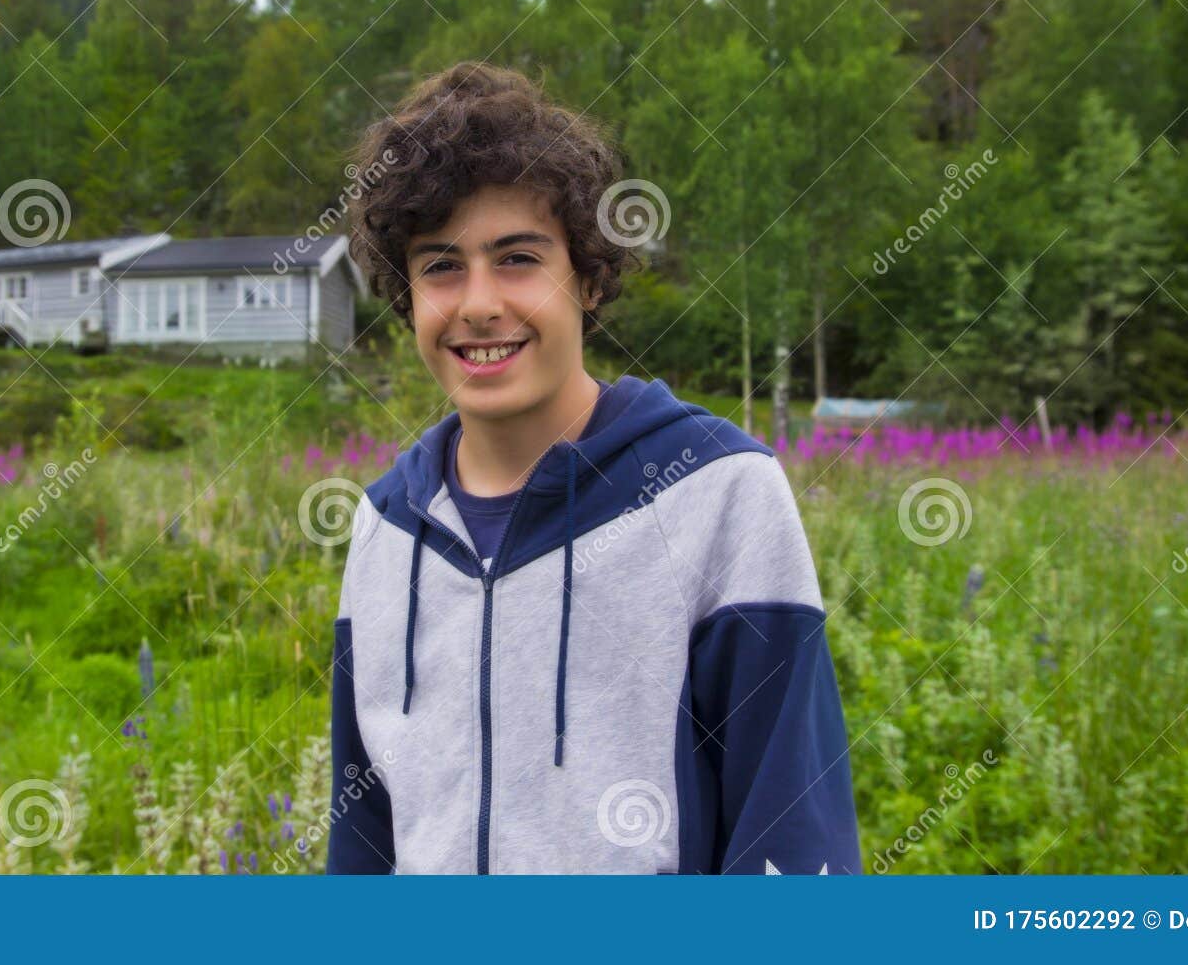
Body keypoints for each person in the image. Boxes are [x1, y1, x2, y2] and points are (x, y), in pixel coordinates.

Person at [327, 61, 861, 875]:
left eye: (517, 258)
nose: (477, 303)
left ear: (586, 274)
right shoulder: (384, 527)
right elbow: (361, 840)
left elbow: (794, 833)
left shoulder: (719, 493)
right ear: (407, 295)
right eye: (441, 265)